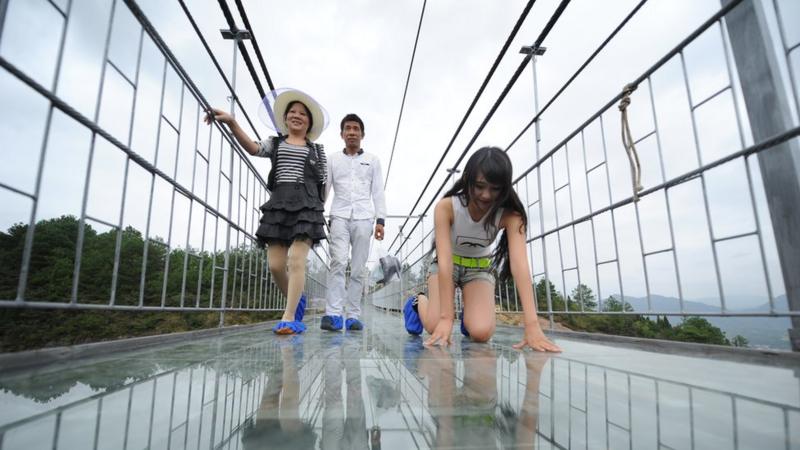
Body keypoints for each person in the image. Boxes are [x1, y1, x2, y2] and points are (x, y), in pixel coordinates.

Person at [403, 146, 561, 352]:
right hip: (446, 265)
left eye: (495, 189)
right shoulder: (447, 207)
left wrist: (532, 325)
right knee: (435, 326)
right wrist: (446, 318)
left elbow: (520, 265)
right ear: (468, 180)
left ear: (504, 188)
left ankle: (470, 318)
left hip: (479, 269)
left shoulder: (511, 215)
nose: (486, 195)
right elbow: (444, 261)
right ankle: (416, 303)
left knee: (481, 332)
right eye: (479, 186)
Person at [204, 88, 328, 335]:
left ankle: (290, 316)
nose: (296, 115)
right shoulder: (276, 143)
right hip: (279, 204)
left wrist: (319, 211)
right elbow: (252, 148)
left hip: (307, 206)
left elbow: (322, 182)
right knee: (275, 265)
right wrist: (232, 122)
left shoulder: (317, 150)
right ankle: (297, 300)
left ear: (309, 122)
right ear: (285, 118)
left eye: (302, 114)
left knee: (296, 259)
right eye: (292, 112)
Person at [321, 114, 387, 331]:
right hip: (338, 216)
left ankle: (352, 315)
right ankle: (333, 314)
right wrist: (316, 212)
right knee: (338, 262)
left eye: (355, 129)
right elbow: (325, 189)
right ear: (341, 134)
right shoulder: (331, 159)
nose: (351, 132)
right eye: (347, 128)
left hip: (364, 218)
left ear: (362, 134)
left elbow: (378, 192)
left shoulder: (373, 160)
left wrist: (380, 221)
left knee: (358, 269)